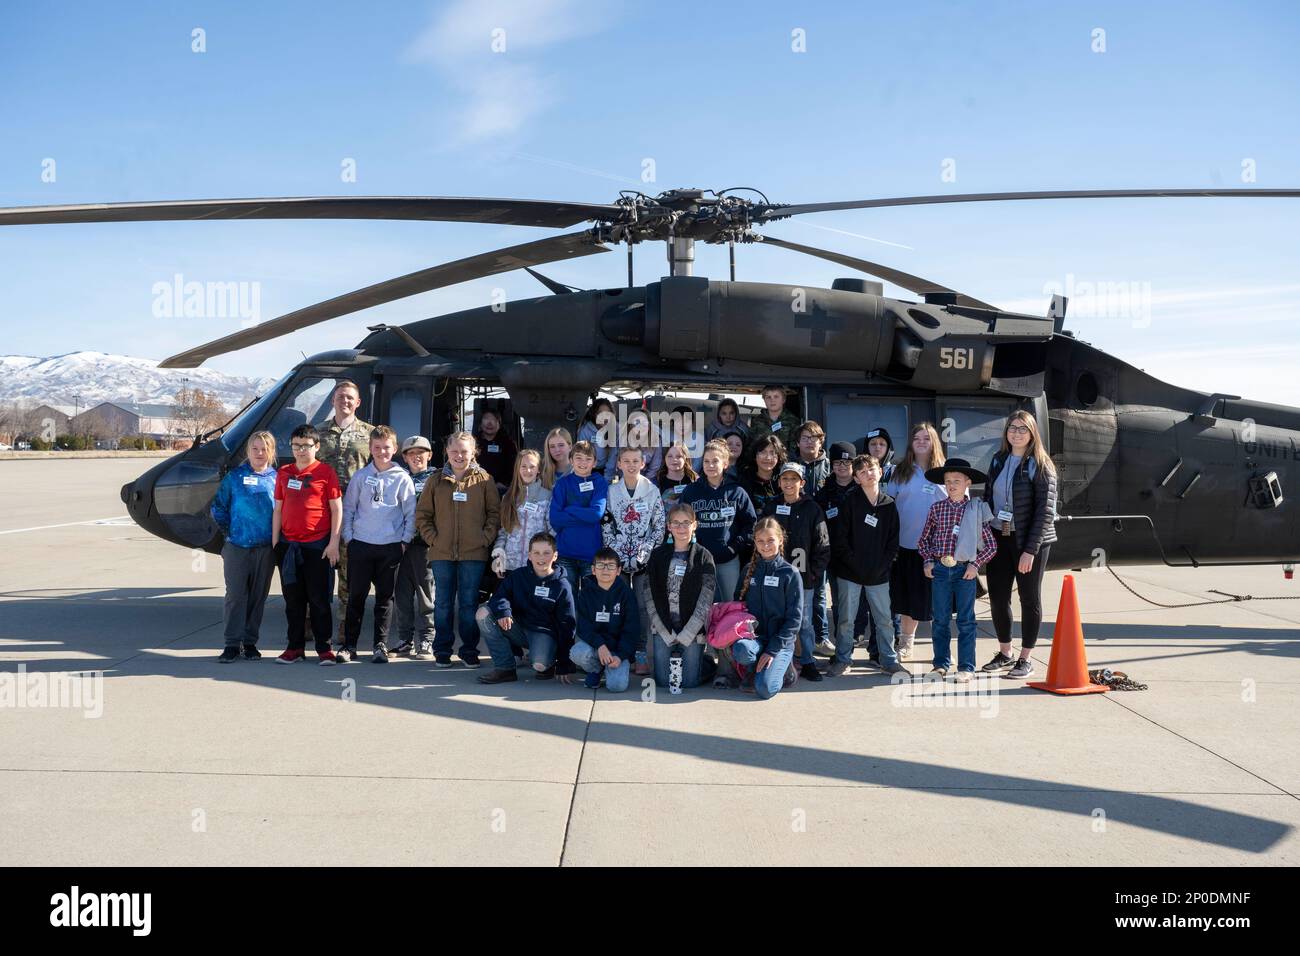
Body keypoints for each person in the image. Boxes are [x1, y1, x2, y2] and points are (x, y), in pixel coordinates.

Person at [980, 410, 1058, 680]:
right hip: (999, 537)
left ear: (1032, 433)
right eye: (1012, 427)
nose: (1016, 432)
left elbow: (1045, 513)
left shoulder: (1041, 464)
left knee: (1029, 598)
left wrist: (1030, 550)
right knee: (998, 597)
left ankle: (1026, 658)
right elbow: (990, 497)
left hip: (1028, 540)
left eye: (1022, 428)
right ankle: (1005, 652)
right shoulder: (998, 459)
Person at [416, 431, 502, 669]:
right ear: (447, 452)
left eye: (464, 451)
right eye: (454, 451)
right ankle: (442, 649)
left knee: (468, 604)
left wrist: (484, 539)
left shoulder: (484, 480)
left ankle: (469, 650)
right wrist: (433, 539)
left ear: (473, 452)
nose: (459, 456)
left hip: (473, 554)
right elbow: (423, 514)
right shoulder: (435, 480)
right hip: (442, 553)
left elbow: (494, 515)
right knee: (442, 603)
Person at [338, 426, 416, 663]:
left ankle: (379, 645)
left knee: (384, 599)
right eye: (377, 448)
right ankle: (348, 646)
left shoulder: (402, 478)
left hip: (390, 547)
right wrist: (349, 537)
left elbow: (410, 513)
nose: (382, 452)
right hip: (361, 544)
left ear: (395, 449)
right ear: (370, 449)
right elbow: (349, 508)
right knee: (356, 597)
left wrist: (403, 542)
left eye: (386, 448)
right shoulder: (361, 476)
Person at [918, 458, 997, 682]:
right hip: (941, 569)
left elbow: (991, 545)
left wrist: (975, 564)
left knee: (966, 620)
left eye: (957, 481)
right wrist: (927, 561)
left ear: (967, 483)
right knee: (941, 619)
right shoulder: (936, 509)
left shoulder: (975, 509)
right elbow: (924, 540)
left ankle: (966, 667)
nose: (952, 485)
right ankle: (941, 663)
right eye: (948, 481)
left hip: (965, 571)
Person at [829, 455, 908, 677]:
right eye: (862, 472)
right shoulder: (849, 501)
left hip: (879, 574)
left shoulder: (889, 504)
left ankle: (889, 660)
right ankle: (843, 659)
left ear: (880, 472)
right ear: (856, 478)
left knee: (884, 620)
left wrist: (883, 566)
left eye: (872, 469)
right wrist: (856, 566)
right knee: (846, 620)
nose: (868, 474)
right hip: (850, 573)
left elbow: (893, 542)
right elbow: (840, 540)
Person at [273, 424, 342, 665]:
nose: (301, 450)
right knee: (293, 601)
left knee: (319, 599)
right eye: (297, 446)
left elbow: (336, 508)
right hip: (289, 547)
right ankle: (294, 648)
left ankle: (324, 649)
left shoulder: (326, 472)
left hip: (318, 546)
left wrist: (334, 542)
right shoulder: (283, 473)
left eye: (306, 446)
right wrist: (276, 543)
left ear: (317, 447)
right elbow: (278, 509)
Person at [211, 430, 278, 662]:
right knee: (236, 596)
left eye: (264, 449)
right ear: (248, 451)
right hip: (237, 547)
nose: (259, 453)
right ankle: (231, 643)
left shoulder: (277, 479)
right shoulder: (235, 477)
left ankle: (250, 642)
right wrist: (230, 532)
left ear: (271, 452)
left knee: (258, 597)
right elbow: (218, 507)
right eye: (255, 449)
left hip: (265, 549)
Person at [476, 532, 577, 684]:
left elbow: (567, 625)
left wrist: (564, 662)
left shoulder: (562, 586)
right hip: (519, 629)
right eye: (536, 553)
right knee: (483, 613)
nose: (541, 558)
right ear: (529, 555)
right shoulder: (518, 575)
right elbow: (499, 597)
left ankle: (548, 663)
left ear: (555, 556)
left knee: (540, 664)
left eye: (546, 553)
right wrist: (504, 611)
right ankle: (505, 668)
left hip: (544, 634)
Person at [761, 462, 830, 682]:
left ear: (802, 483)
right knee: (777, 618)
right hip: (775, 576)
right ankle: (781, 661)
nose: (789, 483)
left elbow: (822, 544)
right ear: (779, 482)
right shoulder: (771, 506)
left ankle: (808, 660)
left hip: (803, 577)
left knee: (804, 621)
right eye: (785, 479)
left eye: (794, 479)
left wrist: (813, 573)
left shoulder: (812, 508)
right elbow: (760, 538)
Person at [317, 380, 373, 646]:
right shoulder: (317, 434)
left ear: (358, 402)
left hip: (354, 514)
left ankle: (345, 624)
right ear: (333, 401)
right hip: (319, 513)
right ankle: (312, 620)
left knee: (349, 573)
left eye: (350, 397)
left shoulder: (371, 435)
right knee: (316, 570)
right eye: (340, 397)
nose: (345, 401)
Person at [638, 503, 717, 690]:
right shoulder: (657, 556)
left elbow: (706, 599)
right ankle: (679, 656)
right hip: (663, 628)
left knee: (690, 683)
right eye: (676, 523)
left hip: (692, 630)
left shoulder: (704, 556)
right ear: (669, 527)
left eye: (686, 523)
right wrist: (665, 631)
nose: (681, 528)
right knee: (664, 682)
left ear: (694, 525)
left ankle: (704, 662)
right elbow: (649, 595)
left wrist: (687, 634)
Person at [885, 423, 947, 661]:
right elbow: (888, 506)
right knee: (908, 599)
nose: (921, 441)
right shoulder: (900, 471)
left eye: (926, 438)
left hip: (937, 550)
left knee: (938, 602)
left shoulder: (945, 472)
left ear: (934, 442)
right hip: (906, 546)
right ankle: (906, 642)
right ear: (911, 443)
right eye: (917, 438)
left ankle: (941, 649)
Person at [602, 445, 666, 675]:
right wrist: (614, 550)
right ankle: (618, 651)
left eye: (635, 461)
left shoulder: (652, 490)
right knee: (616, 605)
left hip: (643, 560)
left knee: (641, 607)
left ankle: (639, 652)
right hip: (617, 559)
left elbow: (659, 526)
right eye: (625, 461)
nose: (630, 465)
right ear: (618, 464)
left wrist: (646, 551)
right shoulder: (612, 491)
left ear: (643, 463)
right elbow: (607, 523)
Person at [731, 517, 801, 699]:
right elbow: (738, 606)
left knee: (765, 690)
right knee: (740, 649)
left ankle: (787, 670)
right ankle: (753, 667)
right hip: (756, 639)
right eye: (760, 541)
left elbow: (794, 620)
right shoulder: (749, 570)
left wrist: (772, 649)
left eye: (771, 540)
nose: (766, 545)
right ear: (754, 542)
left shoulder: (790, 574)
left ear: (780, 540)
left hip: (780, 642)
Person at [680, 439, 756, 604]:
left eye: (715, 461)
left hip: (728, 560)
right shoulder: (691, 492)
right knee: (701, 606)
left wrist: (734, 547)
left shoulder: (737, 492)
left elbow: (751, 524)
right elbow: (681, 522)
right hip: (698, 560)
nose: (710, 465)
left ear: (725, 463)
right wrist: (691, 548)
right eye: (707, 461)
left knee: (731, 604)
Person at [855, 424, 899, 663]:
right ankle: (860, 638)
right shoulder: (861, 471)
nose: (877, 448)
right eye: (873, 444)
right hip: (863, 549)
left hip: (886, 546)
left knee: (885, 606)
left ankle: (881, 649)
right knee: (863, 602)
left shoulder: (897, 471)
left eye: (882, 444)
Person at [569, 547, 638, 692]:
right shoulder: (586, 592)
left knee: (616, 686)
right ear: (593, 570)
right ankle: (596, 670)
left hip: (617, 651)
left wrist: (620, 655)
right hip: (596, 647)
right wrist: (600, 646)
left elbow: (631, 630)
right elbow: (583, 626)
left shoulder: (627, 594)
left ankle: (610, 668)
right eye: (600, 565)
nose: (605, 570)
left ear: (618, 571)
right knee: (577, 652)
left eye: (611, 566)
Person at [813, 440, 859, 657]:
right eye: (837, 462)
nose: (842, 466)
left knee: (851, 605)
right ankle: (838, 647)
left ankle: (850, 643)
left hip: (854, 555)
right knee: (829, 600)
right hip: (829, 555)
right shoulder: (825, 492)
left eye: (846, 462)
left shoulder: (860, 489)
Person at [392, 436, 435, 658]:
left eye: (421, 452)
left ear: (429, 455)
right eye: (410, 453)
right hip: (399, 545)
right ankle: (404, 639)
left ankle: (427, 640)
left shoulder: (438, 479)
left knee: (426, 594)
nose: (416, 457)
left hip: (424, 545)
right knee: (401, 594)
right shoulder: (397, 477)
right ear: (404, 457)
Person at [549, 440, 609, 593]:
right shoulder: (563, 484)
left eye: (588, 459)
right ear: (571, 460)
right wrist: (584, 514)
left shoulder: (600, 482)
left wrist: (570, 509)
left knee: (591, 599)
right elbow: (555, 519)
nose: (583, 462)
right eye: (579, 458)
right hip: (565, 553)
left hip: (591, 554)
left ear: (595, 462)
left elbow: (596, 514)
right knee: (568, 600)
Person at [492, 449, 553, 577]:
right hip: (510, 565)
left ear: (539, 469)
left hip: (537, 565)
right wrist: (499, 554)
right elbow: (504, 530)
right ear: (517, 469)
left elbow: (551, 530)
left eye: (532, 466)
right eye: (523, 466)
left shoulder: (547, 496)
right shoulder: (508, 497)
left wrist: (550, 558)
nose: (528, 470)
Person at [605, 408, 664, 482]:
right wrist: (607, 482)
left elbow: (655, 467)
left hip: (647, 476)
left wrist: (642, 483)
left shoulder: (655, 440)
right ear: (630, 425)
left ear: (649, 426)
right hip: (625, 476)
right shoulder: (622, 439)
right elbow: (611, 464)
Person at [737, 433, 786, 520]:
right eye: (763, 452)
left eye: (773, 453)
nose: (768, 457)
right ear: (755, 455)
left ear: (779, 457)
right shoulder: (744, 480)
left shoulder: (785, 479)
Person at [746, 385, 801, 455]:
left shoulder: (793, 421)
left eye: (776, 396)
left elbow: (795, 450)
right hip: (762, 462)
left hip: (785, 463)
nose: (772, 400)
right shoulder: (757, 421)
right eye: (768, 397)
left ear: (783, 400)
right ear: (764, 400)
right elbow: (751, 447)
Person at [473, 407, 517, 490]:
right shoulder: (472, 442)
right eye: (486, 419)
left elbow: (514, 466)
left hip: (500, 487)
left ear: (499, 424)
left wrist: (504, 483)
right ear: (481, 423)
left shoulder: (509, 444)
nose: (489, 423)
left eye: (494, 420)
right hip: (476, 486)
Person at [576, 398, 615, 474]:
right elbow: (581, 454)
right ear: (594, 414)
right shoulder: (585, 430)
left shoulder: (614, 430)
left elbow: (613, 457)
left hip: (607, 469)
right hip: (589, 469)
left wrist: (607, 478)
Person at [656, 441, 699, 508]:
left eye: (679, 456)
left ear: (685, 458)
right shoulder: (658, 482)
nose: (674, 459)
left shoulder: (694, 480)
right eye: (670, 456)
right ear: (664, 458)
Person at [793, 421, 830, 495]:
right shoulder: (789, 465)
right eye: (804, 438)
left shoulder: (830, 466)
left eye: (813, 437)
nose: (809, 441)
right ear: (798, 443)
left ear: (820, 443)